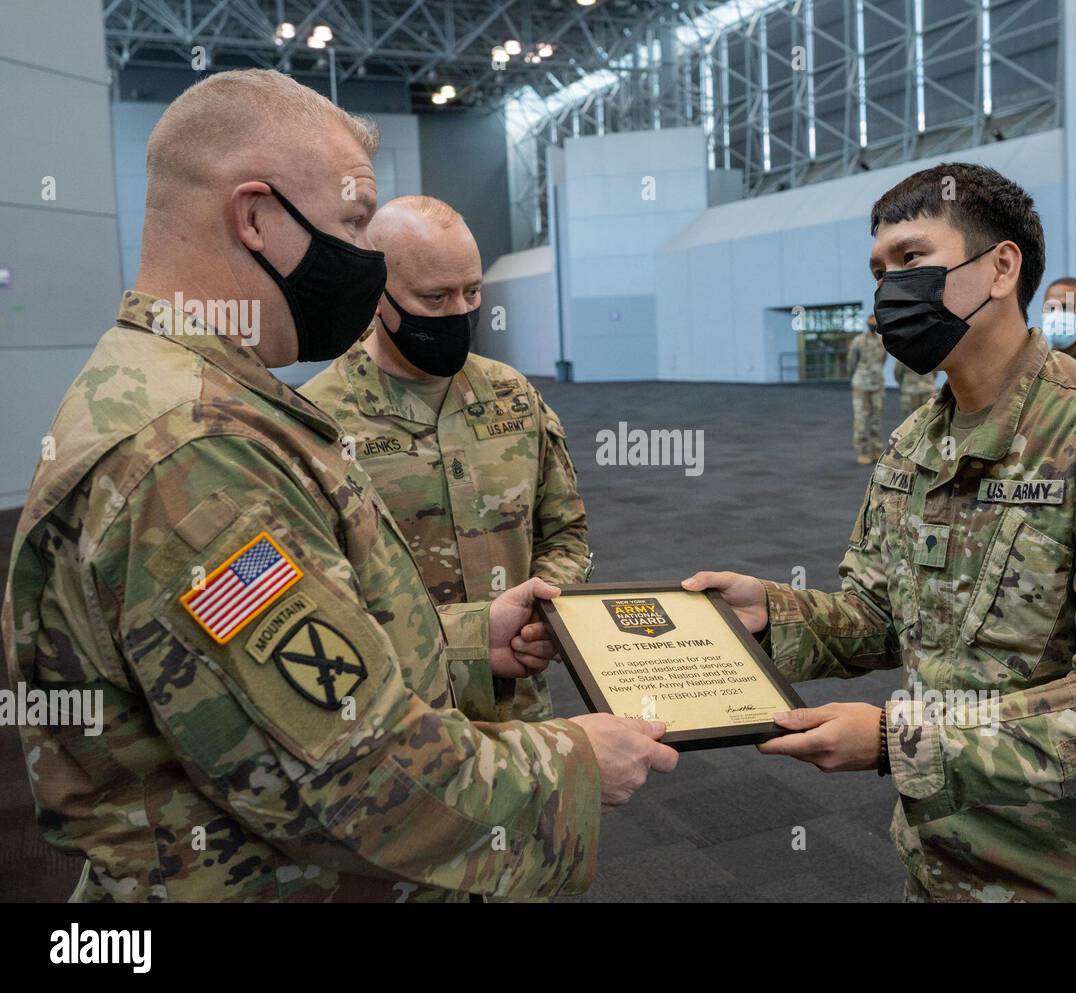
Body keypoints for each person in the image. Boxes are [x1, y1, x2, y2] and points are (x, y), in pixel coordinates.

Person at [1, 69, 675, 903]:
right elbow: (353, 774)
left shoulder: (185, 396)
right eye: (354, 225)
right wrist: (573, 761)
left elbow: (290, 670)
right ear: (254, 217)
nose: (364, 259)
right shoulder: (194, 454)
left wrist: (466, 640)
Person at [685, 162, 1076, 902]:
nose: (889, 289)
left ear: (1002, 266)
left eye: (912, 259)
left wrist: (891, 739)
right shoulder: (913, 445)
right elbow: (882, 617)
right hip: (942, 867)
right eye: (878, 270)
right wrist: (770, 612)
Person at [303, 196, 590, 723]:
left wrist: (546, 613)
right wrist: (470, 640)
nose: (460, 312)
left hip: (522, 716)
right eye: (434, 297)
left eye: (473, 291)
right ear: (375, 296)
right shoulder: (317, 422)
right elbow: (321, 605)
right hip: (397, 722)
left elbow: (565, 532)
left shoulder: (512, 395)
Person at [847, 313, 886, 464]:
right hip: (861, 384)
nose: (873, 324)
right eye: (871, 322)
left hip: (877, 384)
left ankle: (876, 450)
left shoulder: (882, 341)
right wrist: (856, 376)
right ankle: (862, 451)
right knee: (861, 418)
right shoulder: (858, 341)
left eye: (875, 321)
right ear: (867, 323)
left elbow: (882, 360)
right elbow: (851, 362)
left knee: (876, 417)